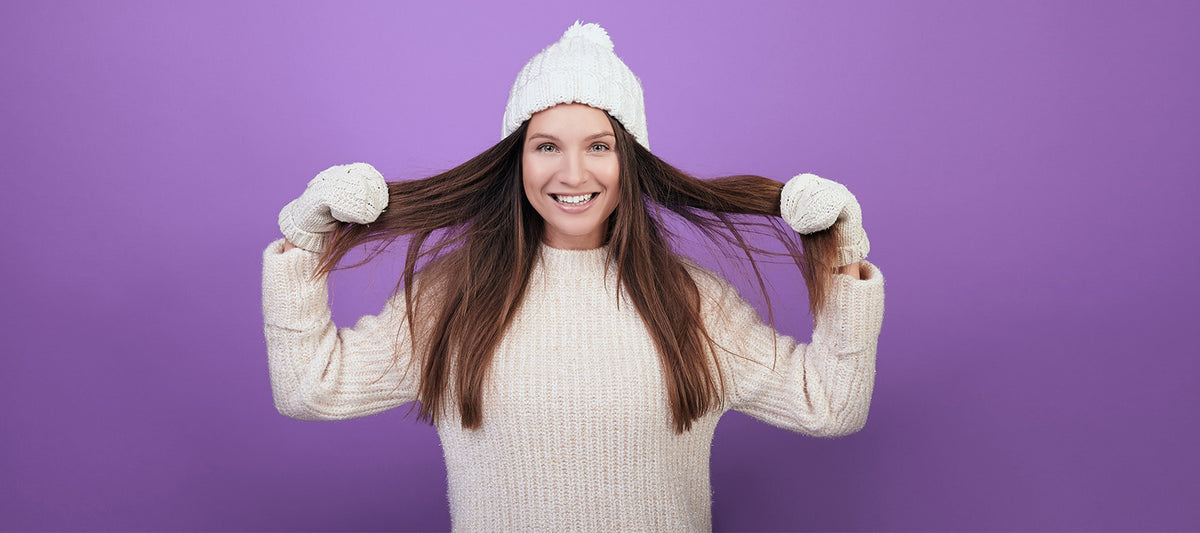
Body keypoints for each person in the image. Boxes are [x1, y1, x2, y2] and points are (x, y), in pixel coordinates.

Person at [262, 21, 884, 531]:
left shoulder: (693, 302)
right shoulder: (452, 297)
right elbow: (311, 388)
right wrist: (307, 239)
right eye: (547, 146)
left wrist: (842, 251)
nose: (574, 174)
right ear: (516, 159)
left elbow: (830, 404)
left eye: (599, 146)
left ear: (629, 160)